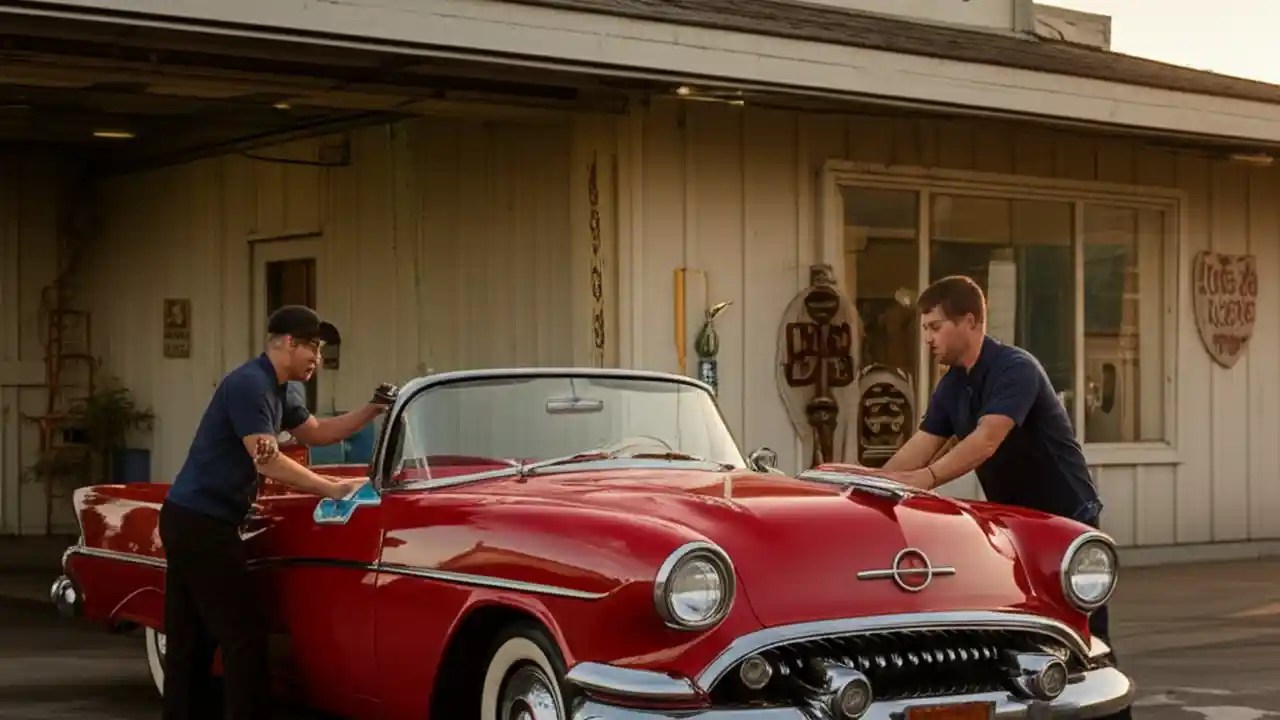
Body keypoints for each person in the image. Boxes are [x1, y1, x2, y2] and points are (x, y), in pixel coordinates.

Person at [854, 275, 1130, 720]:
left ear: (970, 321)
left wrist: (921, 481)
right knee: (1026, 642)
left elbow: (985, 441)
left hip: (1066, 523)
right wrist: (871, 489)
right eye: (924, 328)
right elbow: (921, 446)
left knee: (1083, 644)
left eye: (935, 327)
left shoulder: (1014, 369)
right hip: (1015, 526)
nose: (927, 338)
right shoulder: (952, 384)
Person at [158, 305, 398, 720]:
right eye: (314, 349)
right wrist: (333, 488)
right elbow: (265, 459)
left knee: (190, 642)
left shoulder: (284, 388)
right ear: (288, 343)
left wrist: (373, 409)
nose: (317, 361)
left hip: (192, 518)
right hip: (202, 523)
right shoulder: (249, 385)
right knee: (244, 637)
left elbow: (318, 432)